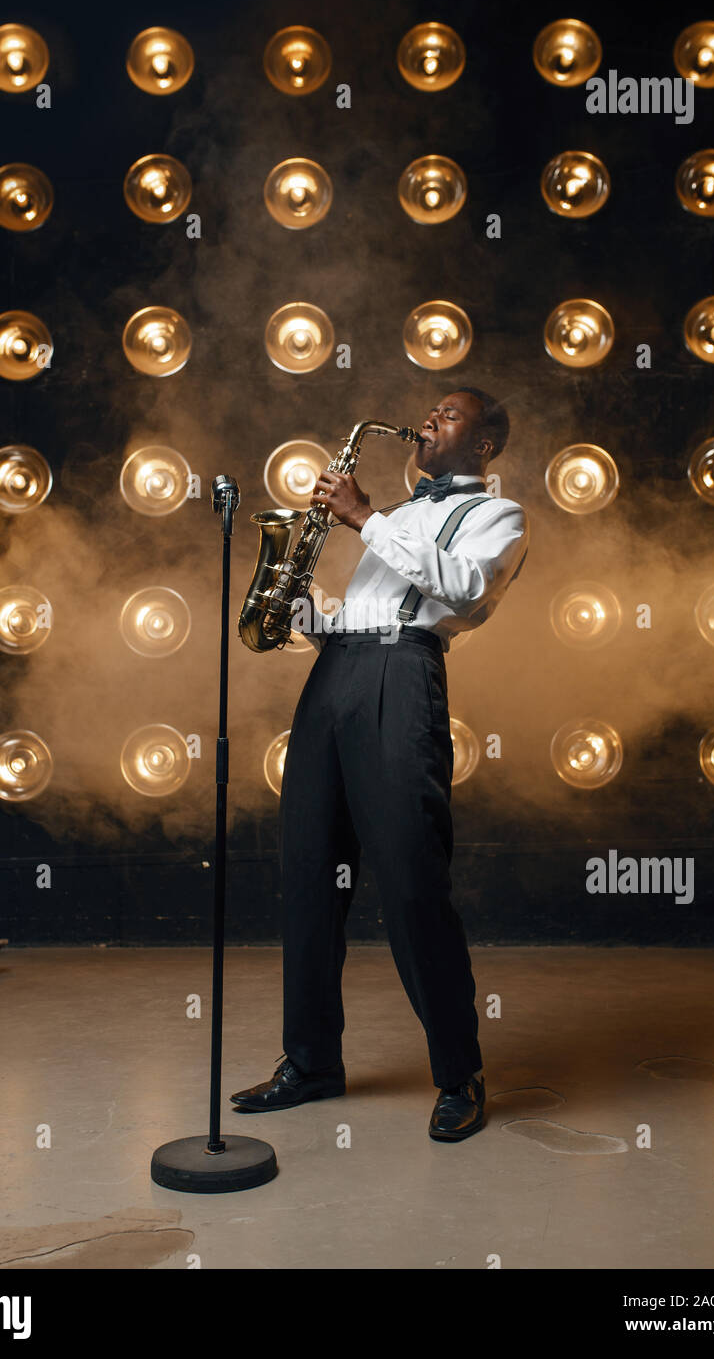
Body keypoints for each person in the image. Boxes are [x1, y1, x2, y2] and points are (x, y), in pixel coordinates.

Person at [230, 388, 528, 1141]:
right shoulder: (396, 516)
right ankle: (312, 1063)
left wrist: (364, 518)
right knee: (307, 875)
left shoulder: (499, 516)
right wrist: (294, 606)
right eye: (430, 411)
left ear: (484, 443)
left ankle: (460, 1072)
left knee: (410, 881)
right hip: (336, 672)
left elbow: (460, 590)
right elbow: (356, 619)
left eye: (450, 414)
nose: (430, 420)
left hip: (404, 678)